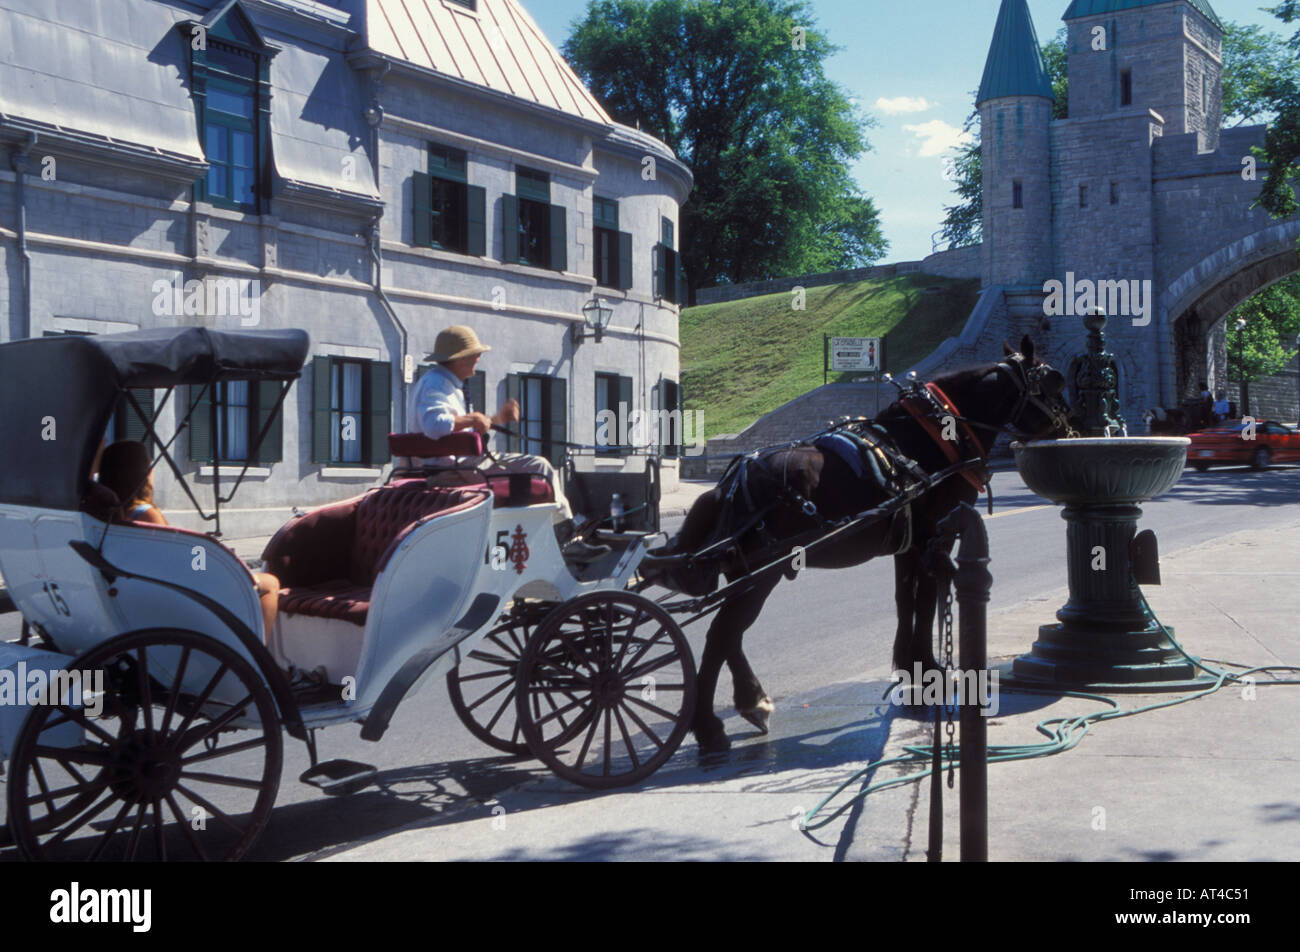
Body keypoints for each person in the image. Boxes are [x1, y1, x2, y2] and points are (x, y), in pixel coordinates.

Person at [407, 326, 608, 562]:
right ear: (459, 359)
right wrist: (473, 418)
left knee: (533, 467)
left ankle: (550, 537)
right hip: (456, 471)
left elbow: (452, 429)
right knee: (540, 467)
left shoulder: (443, 384)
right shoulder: (437, 384)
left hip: (456, 467)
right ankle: (567, 541)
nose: (478, 358)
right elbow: (434, 425)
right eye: (474, 353)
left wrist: (496, 419)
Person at [97, 441, 282, 641]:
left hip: (138, 590)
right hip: (174, 591)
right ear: (141, 474)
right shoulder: (146, 514)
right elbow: (172, 561)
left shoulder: (111, 516)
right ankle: (258, 659)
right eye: (149, 466)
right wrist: (210, 562)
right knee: (270, 583)